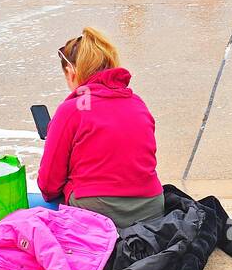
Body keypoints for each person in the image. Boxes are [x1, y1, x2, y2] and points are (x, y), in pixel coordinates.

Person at [37, 28, 164, 229]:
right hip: (152, 208)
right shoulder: (138, 103)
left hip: (97, 212)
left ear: (71, 72)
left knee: (32, 206)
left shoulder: (72, 109)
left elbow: (48, 185)